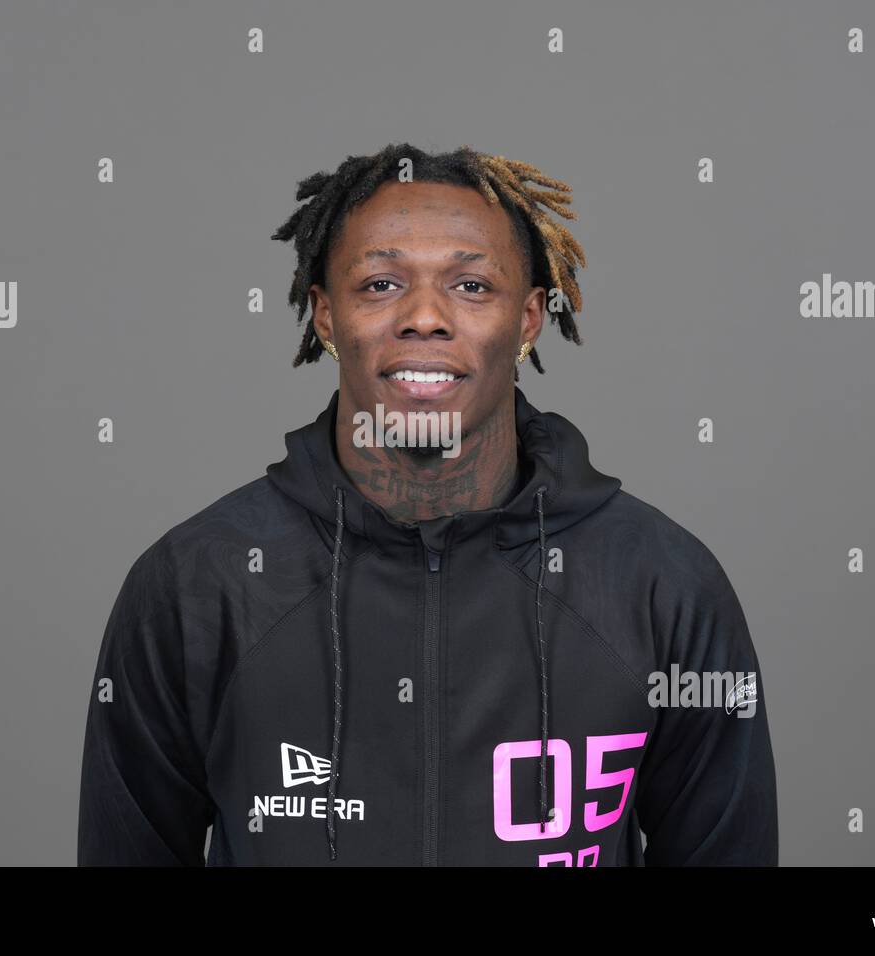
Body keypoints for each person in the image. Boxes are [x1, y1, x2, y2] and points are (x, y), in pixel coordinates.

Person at [77, 143, 778, 866]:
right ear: (324, 315)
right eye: (380, 283)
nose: (424, 317)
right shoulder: (197, 586)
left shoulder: (661, 585)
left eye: (472, 286)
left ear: (531, 318)